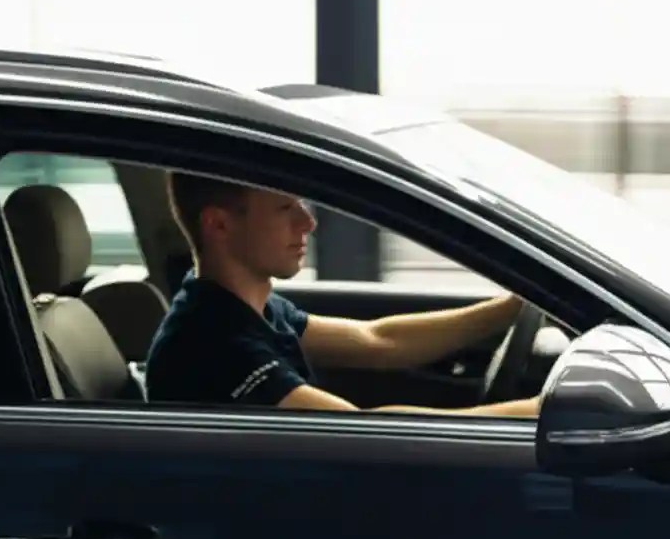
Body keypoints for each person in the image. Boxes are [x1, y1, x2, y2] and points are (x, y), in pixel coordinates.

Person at [145, 172, 541, 417]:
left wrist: (512, 307)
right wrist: (537, 413)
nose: (308, 222)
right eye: (285, 208)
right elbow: (368, 434)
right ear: (219, 225)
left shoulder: (240, 308)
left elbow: (379, 342)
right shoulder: (210, 344)